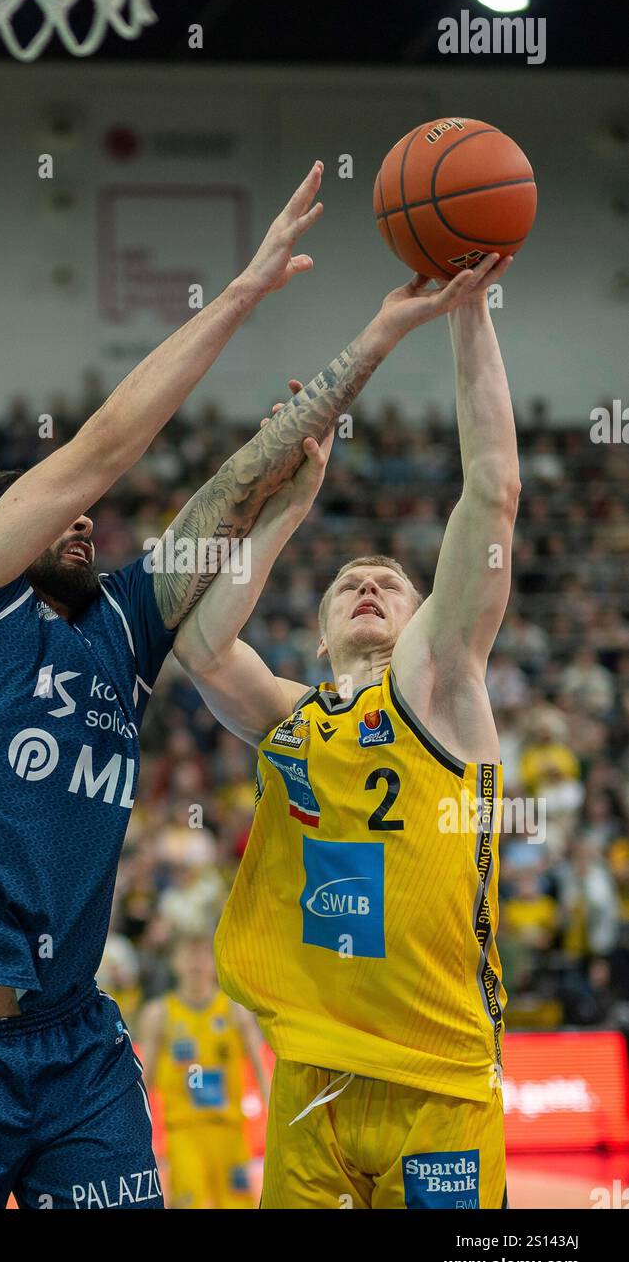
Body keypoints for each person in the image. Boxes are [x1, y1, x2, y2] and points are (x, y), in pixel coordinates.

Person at [0, 162, 437, 1211]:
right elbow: (97, 454)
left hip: (74, 1040)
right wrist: (242, 293)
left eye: (83, 519)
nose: (80, 521)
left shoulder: (118, 627)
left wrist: (372, 341)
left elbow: (238, 482)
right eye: (45, 513)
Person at [175, 253, 517, 1208]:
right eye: (345, 585)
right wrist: (288, 506)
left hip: (437, 1077)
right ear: (320, 631)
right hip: (310, 1076)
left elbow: (490, 494)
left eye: (388, 583)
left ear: (420, 619)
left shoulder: (437, 688)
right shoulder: (292, 718)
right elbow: (203, 647)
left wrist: (467, 313)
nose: (366, 586)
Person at [139, 934, 269, 1209]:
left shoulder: (236, 1011)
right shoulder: (159, 1014)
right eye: (189, 955)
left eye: (202, 956)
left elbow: (262, 1070)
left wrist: (276, 1125)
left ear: (213, 962)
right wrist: (142, 1139)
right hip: (184, 1133)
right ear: (175, 962)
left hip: (231, 1131)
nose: (195, 964)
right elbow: (143, 1084)